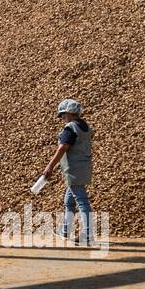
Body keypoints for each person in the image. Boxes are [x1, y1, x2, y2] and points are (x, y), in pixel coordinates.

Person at [40, 98, 94, 244]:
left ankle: (88, 235)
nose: (62, 118)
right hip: (84, 166)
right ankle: (64, 230)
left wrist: (50, 166)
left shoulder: (70, 128)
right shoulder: (86, 127)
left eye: (63, 114)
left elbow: (62, 147)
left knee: (82, 201)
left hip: (74, 168)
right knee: (69, 201)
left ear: (70, 112)